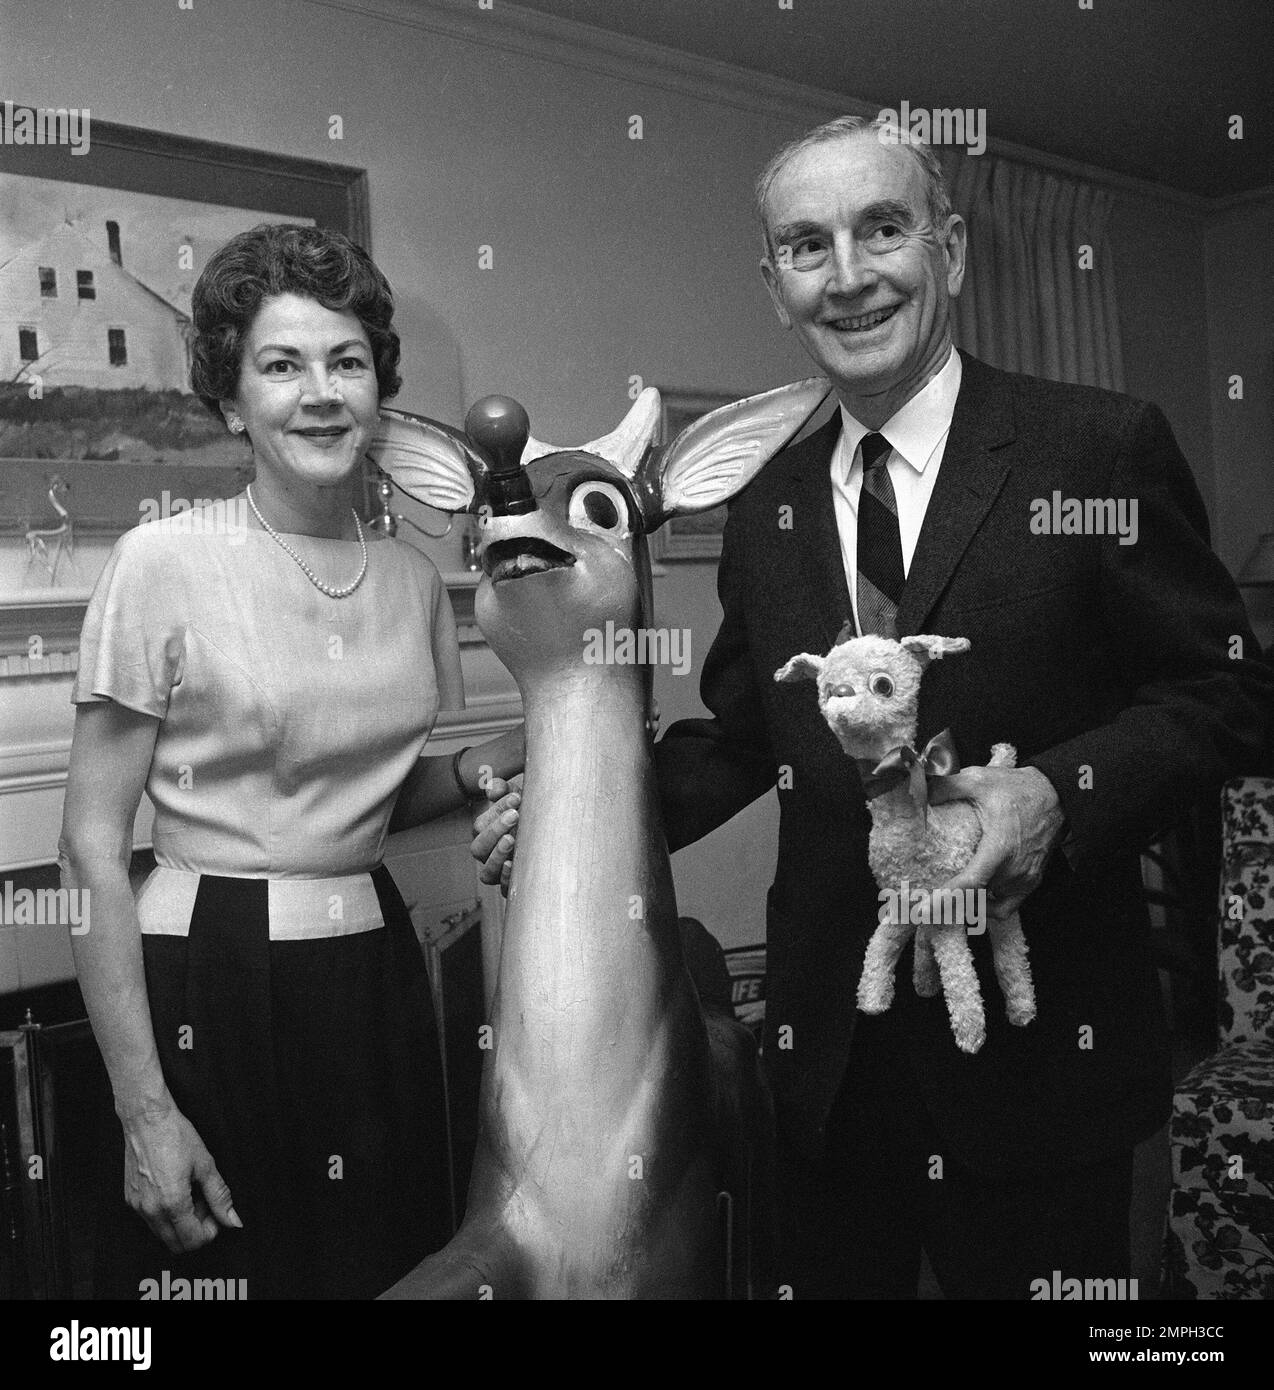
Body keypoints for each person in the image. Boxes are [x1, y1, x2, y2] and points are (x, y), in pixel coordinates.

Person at [474, 115, 1273, 1298]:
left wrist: (1056, 791)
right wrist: (570, 807)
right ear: (773, 283)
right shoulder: (763, 503)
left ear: (946, 248)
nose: (846, 276)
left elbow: (1228, 692)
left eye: (881, 230)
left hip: (1039, 1053)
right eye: (806, 246)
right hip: (825, 1061)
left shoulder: (1093, 450)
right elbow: (749, 734)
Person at [60, 223, 523, 1300]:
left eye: (345, 361)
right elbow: (89, 847)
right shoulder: (164, 560)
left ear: (378, 389)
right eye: (281, 364)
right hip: (208, 978)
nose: (320, 392)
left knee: (382, 1270)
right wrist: (143, 1109)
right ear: (232, 401)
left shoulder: (412, 581)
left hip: (370, 968)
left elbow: (358, 793)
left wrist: (508, 754)